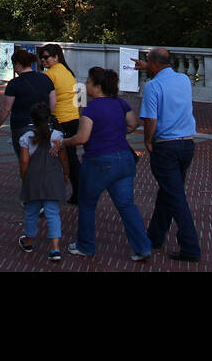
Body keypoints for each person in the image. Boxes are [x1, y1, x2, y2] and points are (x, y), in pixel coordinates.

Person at [60, 67, 151, 261]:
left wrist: (64, 142)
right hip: (124, 160)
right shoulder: (120, 103)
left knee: (87, 204)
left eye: (88, 82)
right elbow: (134, 123)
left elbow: (83, 137)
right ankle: (142, 247)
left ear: (97, 86)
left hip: (98, 161)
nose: (85, 85)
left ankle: (85, 246)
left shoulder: (92, 107)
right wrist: (116, 133)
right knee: (127, 205)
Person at [139, 47, 201, 262]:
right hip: (187, 144)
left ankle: (190, 245)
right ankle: (155, 236)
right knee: (169, 192)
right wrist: (150, 64)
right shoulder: (183, 80)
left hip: (165, 146)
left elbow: (151, 120)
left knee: (174, 196)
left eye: (147, 62)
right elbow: (161, 67)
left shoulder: (152, 87)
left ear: (154, 64)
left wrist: (147, 140)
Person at [17, 101, 70, 263]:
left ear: (32, 119)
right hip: (53, 178)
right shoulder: (57, 137)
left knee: (31, 210)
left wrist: (24, 177)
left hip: (33, 178)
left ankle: (29, 240)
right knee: (53, 212)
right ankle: (55, 248)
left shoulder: (26, 137)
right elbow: (64, 158)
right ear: (49, 118)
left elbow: (24, 161)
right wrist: (66, 174)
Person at [39, 43, 81, 204]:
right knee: (71, 156)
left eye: (46, 57)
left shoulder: (49, 75)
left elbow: (46, 99)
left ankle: (65, 191)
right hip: (73, 118)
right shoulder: (68, 72)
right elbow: (78, 96)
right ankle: (78, 190)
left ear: (56, 57)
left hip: (59, 120)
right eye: (41, 57)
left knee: (58, 157)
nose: (43, 60)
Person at [0, 48, 55, 147]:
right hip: (43, 126)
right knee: (41, 157)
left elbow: (6, 109)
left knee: (24, 158)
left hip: (21, 126)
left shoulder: (14, 84)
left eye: (13, 64)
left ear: (18, 64)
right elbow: (53, 103)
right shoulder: (46, 79)